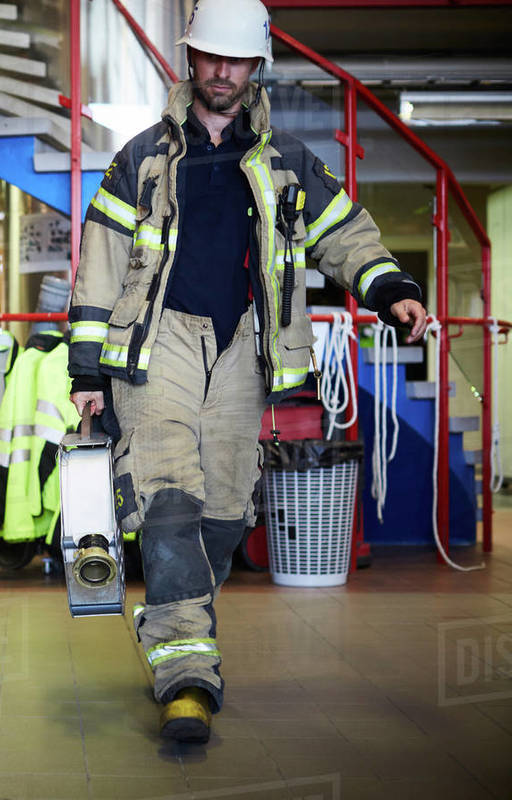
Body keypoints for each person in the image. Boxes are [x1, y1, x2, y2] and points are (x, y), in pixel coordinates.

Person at [67, 0, 427, 743]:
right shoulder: (140, 157)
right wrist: (86, 371)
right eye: (210, 57)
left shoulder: (288, 160)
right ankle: (185, 675)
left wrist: (393, 290)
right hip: (157, 345)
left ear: (255, 67)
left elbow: (345, 236)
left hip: (242, 351)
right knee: (167, 502)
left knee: (224, 514)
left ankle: (178, 616)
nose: (222, 72)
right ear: (191, 59)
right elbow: (98, 268)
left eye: (236, 60)